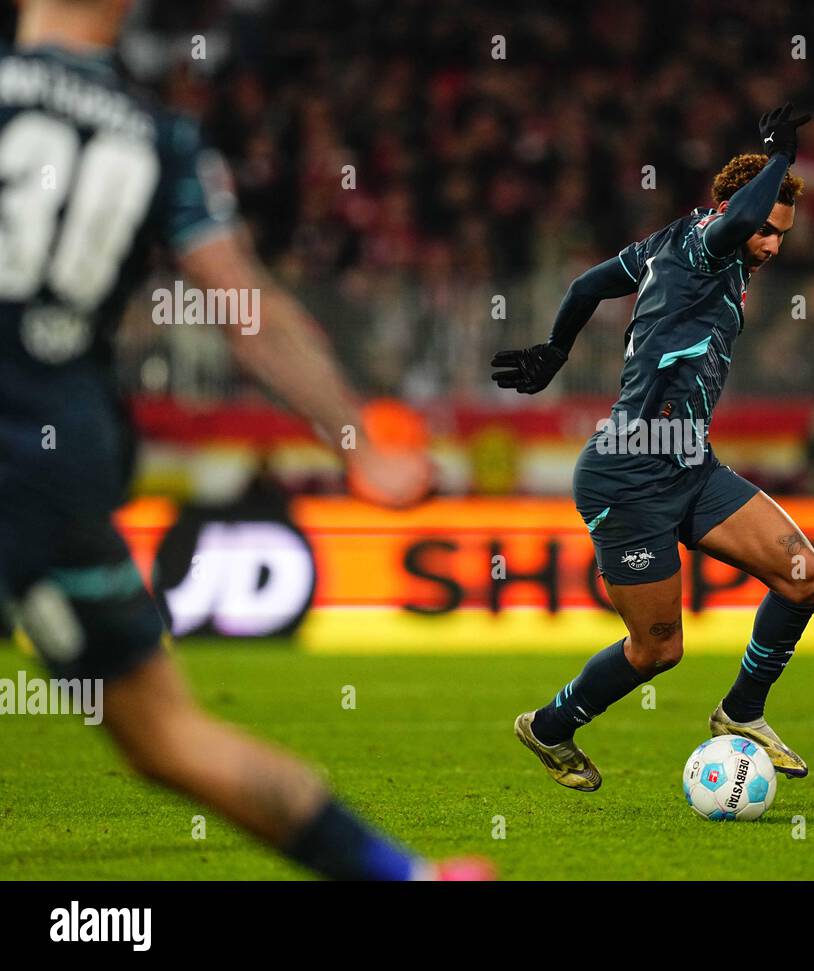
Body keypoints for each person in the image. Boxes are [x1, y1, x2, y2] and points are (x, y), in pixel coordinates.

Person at [0, 0, 489, 880]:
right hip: (56, 467)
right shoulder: (157, 135)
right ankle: (403, 876)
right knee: (163, 731)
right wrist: (357, 439)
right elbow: (244, 306)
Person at [492, 105, 814, 792]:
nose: (770, 246)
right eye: (766, 230)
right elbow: (736, 223)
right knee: (658, 650)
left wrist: (556, 351)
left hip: (689, 463)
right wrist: (780, 160)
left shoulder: (665, 242)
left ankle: (741, 711)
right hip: (628, 472)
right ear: (735, 211)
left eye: (781, 237)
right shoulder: (710, 240)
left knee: (807, 575)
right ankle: (551, 725)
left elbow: (587, 284)